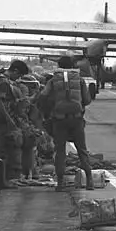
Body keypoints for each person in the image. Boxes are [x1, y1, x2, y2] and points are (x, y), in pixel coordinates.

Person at [38, 55, 94, 191]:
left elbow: (43, 96)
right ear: (73, 66)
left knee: (60, 151)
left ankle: (60, 183)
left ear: (58, 66)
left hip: (59, 120)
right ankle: (90, 181)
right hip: (76, 119)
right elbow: (86, 100)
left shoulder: (52, 80)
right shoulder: (79, 80)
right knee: (82, 150)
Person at [0, 60, 28, 188]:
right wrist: (9, 119)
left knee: (3, 149)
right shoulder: (3, 82)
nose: (18, 79)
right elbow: (0, 102)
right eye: (18, 75)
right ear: (15, 71)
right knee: (3, 150)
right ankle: (2, 180)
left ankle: (3, 179)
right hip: (1, 120)